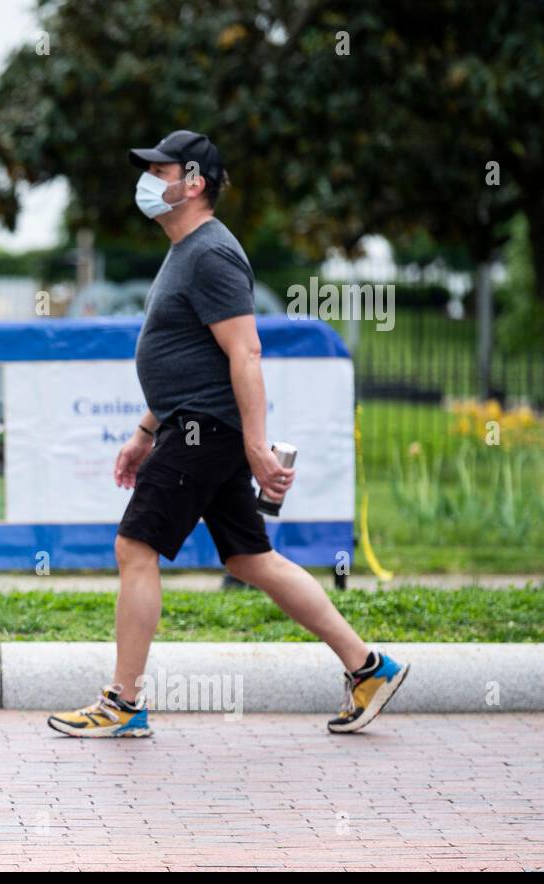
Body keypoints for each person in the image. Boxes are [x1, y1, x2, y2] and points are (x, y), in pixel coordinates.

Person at [48, 130, 409, 739]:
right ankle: (369, 668)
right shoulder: (186, 249)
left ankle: (123, 702)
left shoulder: (211, 252)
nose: (148, 181)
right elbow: (192, 358)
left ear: (193, 182)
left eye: (160, 171)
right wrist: (143, 432)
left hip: (203, 432)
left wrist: (254, 446)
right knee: (251, 557)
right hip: (191, 426)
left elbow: (245, 354)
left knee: (135, 548)